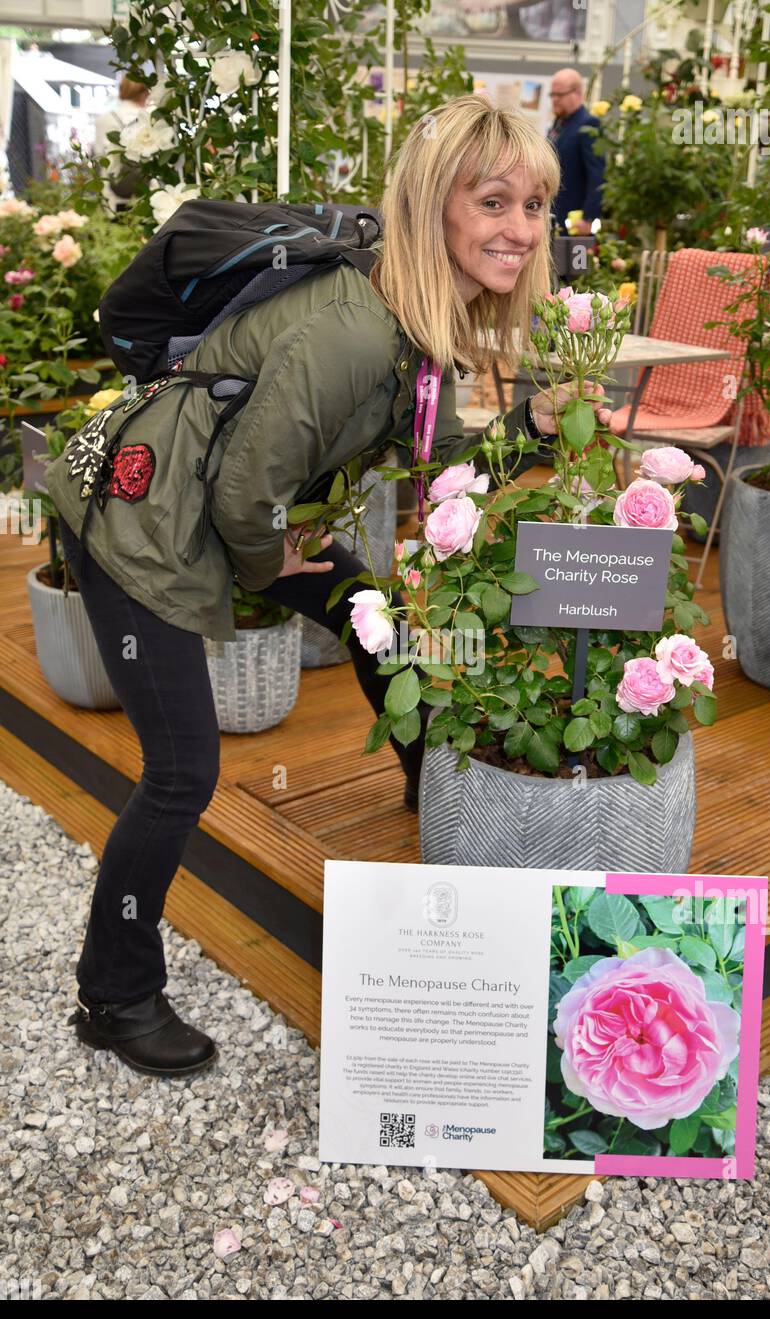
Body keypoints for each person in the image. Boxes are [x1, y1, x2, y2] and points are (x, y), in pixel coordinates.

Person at [45, 93, 612, 1078]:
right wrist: (272, 560)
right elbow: (241, 492)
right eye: (493, 203)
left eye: (533, 205)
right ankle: (114, 992)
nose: (521, 230)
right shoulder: (354, 330)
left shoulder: (407, 325)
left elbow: (422, 454)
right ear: (434, 206)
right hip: (143, 521)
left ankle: (425, 784)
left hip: (221, 510)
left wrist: (528, 425)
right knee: (182, 770)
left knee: (372, 615)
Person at [547, 67, 605, 234]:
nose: (554, 100)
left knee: (573, 261)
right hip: (554, 218)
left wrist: (588, 218)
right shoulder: (559, 124)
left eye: (559, 95)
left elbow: (598, 175)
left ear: (577, 93)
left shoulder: (589, 125)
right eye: (552, 95)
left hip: (574, 224)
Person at [92, 75, 149, 215]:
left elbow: (99, 157)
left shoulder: (104, 118)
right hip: (145, 190)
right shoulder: (148, 116)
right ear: (144, 92)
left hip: (113, 192)